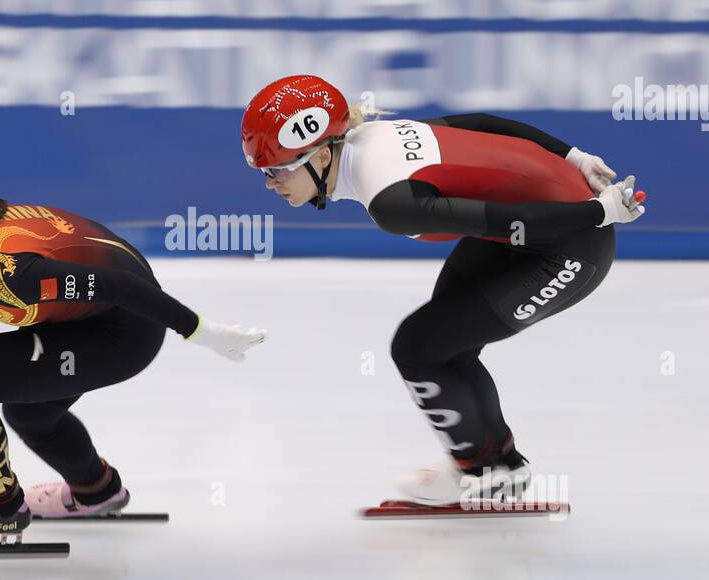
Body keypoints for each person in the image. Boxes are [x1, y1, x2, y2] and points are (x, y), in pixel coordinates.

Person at [240, 75, 645, 505]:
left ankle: (483, 469)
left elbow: (511, 222)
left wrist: (596, 213)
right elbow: (484, 123)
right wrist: (574, 156)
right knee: (443, 344)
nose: (270, 183)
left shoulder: (392, 203)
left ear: (321, 157)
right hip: (539, 230)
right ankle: (494, 465)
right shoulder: (373, 135)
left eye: (278, 169)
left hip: (569, 245)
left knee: (417, 347)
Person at [0, 146, 266, 538]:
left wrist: (205, 333)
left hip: (123, 332)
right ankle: (95, 490)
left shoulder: (5, 273)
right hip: (91, 319)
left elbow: (118, 287)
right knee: (31, 411)